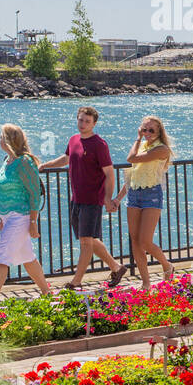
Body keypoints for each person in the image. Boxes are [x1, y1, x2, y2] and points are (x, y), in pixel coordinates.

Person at [38, 106, 127, 288]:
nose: (83, 124)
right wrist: (45, 165)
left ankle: (76, 281)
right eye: (80, 120)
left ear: (94, 124)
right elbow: (66, 158)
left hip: (93, 199)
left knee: (86, 241)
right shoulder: (73, 139)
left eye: (87, 121)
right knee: (90, 239)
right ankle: (116, 267)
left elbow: (109, 174)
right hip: (76, 198)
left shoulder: (99, 144)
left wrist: (108, 198)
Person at [110, 116, 175, 293]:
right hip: (134, 194)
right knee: (136, 242)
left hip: (151, 195)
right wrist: (118, 198)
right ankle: (146, 283)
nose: (147, 133)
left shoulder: (161, 149)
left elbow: (131, 158)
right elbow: (132, 176)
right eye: (144, 130)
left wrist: (137, 138)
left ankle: (167, 265)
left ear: (159, 132)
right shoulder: (144, 148)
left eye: (151, 130)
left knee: (145, 241)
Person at [0, 124, 51, 296]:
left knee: (1, 258)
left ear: (8, 141)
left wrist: (33, 222)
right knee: (27, 258)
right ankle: (47, 293)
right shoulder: (7, 161)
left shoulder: (24, 162)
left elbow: (34, 193)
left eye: (1, 136)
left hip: (20, 217)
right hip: (7, 217)